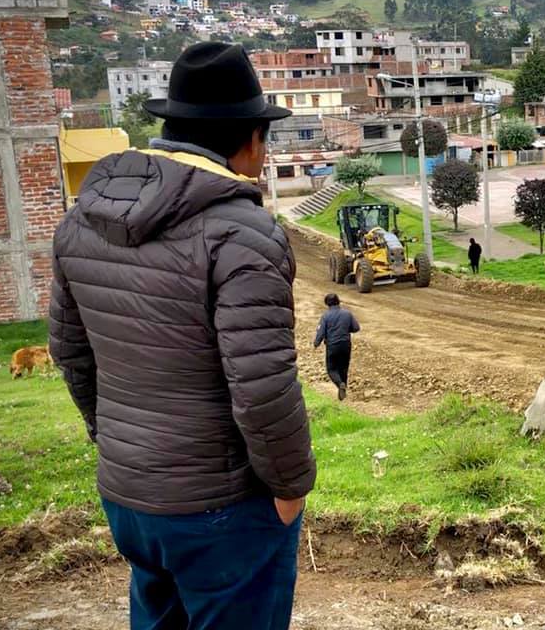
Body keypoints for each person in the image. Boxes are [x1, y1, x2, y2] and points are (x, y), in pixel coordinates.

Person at [49, 42, 316, 630]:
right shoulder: (242, 233)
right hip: (221, 507)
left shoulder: (84, 217)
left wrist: (117, 444)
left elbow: (70, 352)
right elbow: (263, 385)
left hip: (129, 497)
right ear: (250, 139)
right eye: (265, 140)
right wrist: (292, 485)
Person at [313, 293, 360, 401]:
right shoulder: (348, 314)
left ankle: (340, 384)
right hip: (346, 345)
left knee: (331, 369)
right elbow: (356, 328)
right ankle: (343, 393)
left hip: (332, 346)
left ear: (327, 304)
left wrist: (316, 343)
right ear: (338, 301)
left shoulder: (326, 316)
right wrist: (346, 329)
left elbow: (321, 332)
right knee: (344, 368)